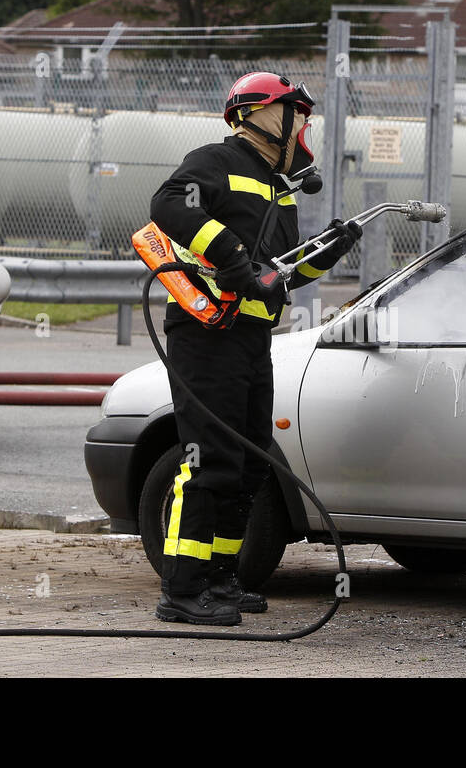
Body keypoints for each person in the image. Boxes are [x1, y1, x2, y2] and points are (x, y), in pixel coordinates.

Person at [149, 72, 362, 625]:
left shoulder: (276, 188)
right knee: (209, 460)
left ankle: (221, 578)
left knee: (246, 464)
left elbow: (279, 276)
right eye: (298, 111)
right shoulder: (215, 161)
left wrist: (328, 252)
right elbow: (168, 205)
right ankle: (182, 587)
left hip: (250, 340)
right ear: (268, 113)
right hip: (206, 337)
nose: (306, 124)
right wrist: (233, 261)